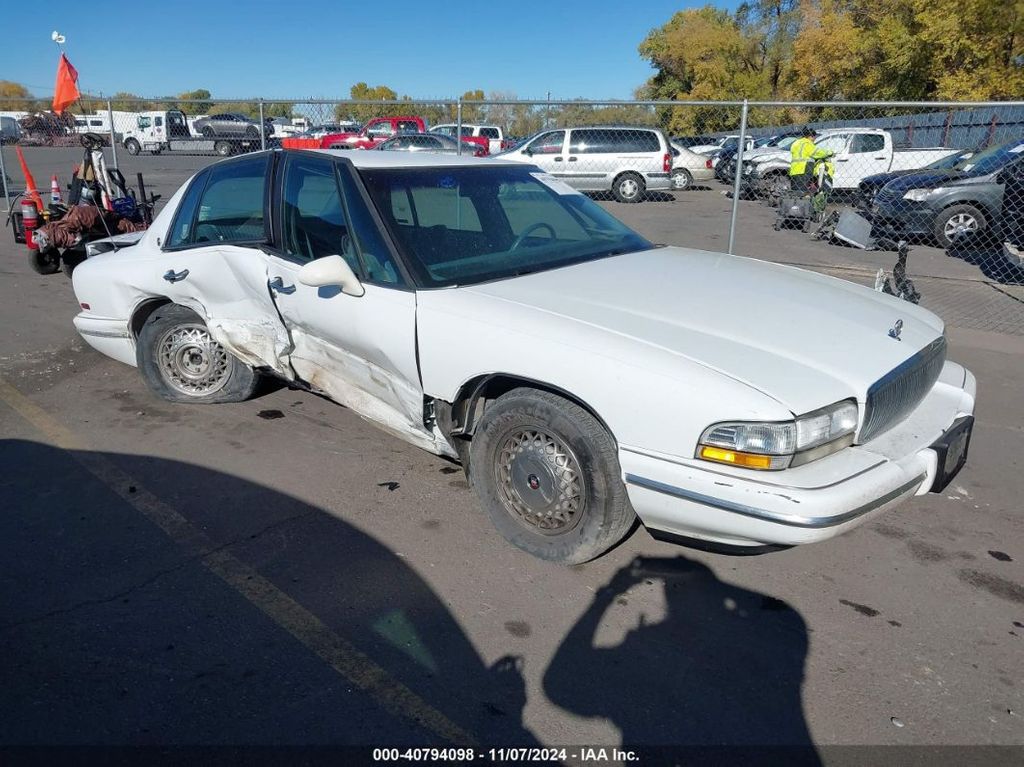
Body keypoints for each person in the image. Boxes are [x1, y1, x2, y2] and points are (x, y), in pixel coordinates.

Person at [789, 126, 831, 195]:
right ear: (810, 136)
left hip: (794, 170)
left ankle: (794, 203)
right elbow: (816, 153)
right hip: (804, 169)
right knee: (803, 191)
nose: (814, 139)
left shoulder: (795, 143)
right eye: (814, 137)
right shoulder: (807, 143)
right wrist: (829, 153)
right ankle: (803, 203)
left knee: (795, 190)